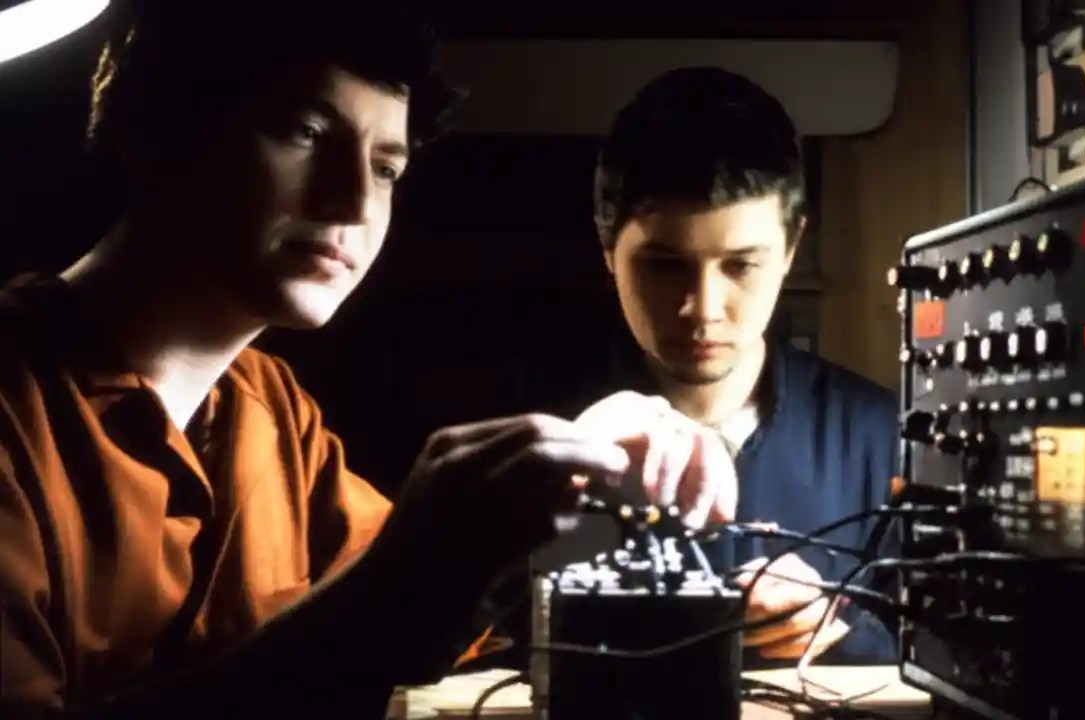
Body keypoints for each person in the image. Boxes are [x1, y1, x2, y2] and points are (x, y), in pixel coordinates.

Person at [0, 3, 734, 718]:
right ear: (152, 131)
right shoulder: (16, 408)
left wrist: (590, 475)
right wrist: (397, 587)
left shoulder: (272, 410)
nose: (353, 202)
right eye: (304, 132)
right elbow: (388, 601)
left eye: (386, 168)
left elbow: (442, 610)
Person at [488, 67, 901, 667]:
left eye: (741, 266)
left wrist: (841, 627)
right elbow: (452, 637)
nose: (702, 310)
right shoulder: (530, 418)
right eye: (663, 265)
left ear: (790, 250)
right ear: (608, 250)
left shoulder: (875, 435)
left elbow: (938, 663)